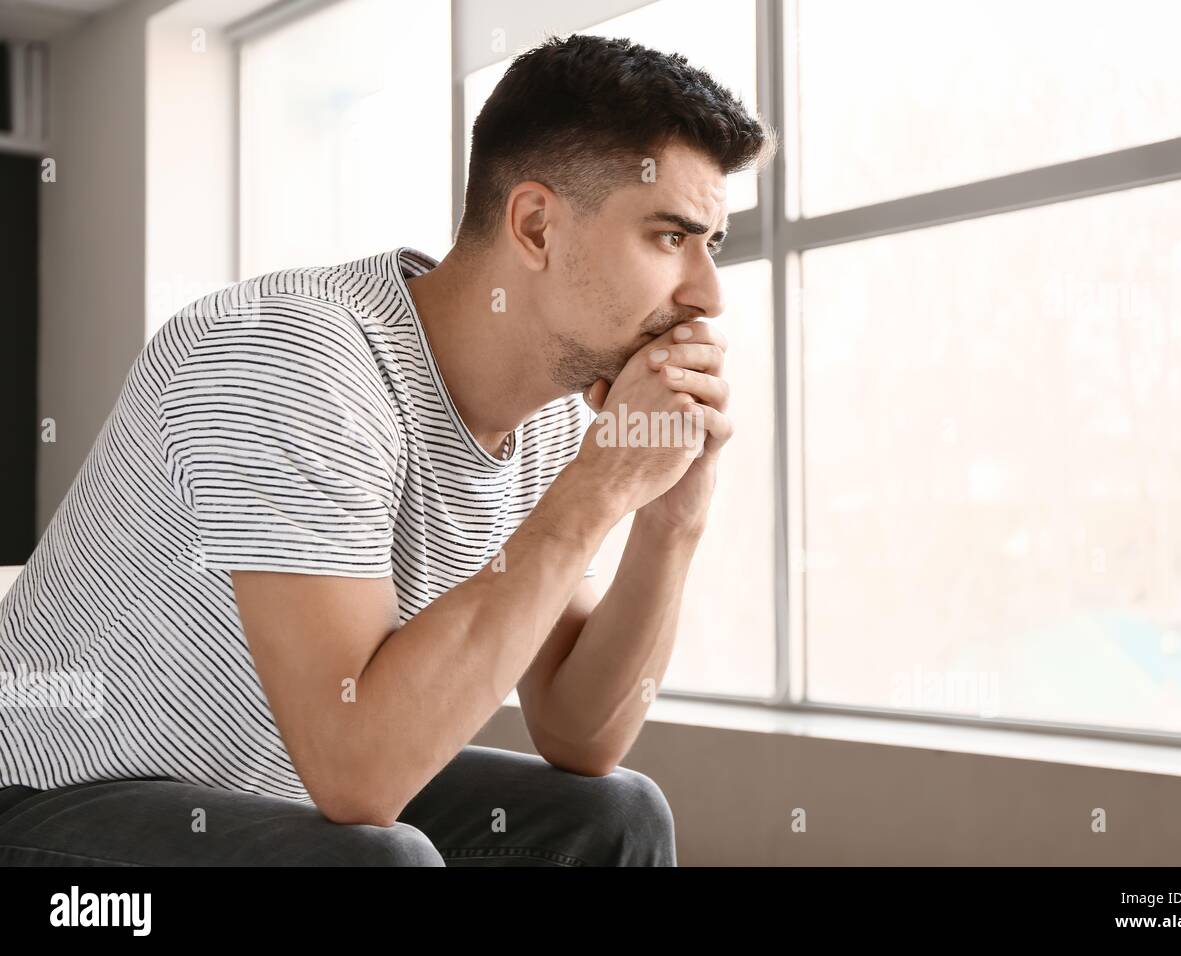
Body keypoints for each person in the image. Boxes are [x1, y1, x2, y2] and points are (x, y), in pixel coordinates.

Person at [0, 32, 775, 865]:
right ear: (537, 225)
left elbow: (579, 735)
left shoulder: (549, 413)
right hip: (51, 802)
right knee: (378, 860)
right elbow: (357, 776)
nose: (708, 294)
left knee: (614, 812)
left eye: (713, 245)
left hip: (284, 786)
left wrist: (669, 522)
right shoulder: (296, 356)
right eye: (670, 238)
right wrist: (592, 494)